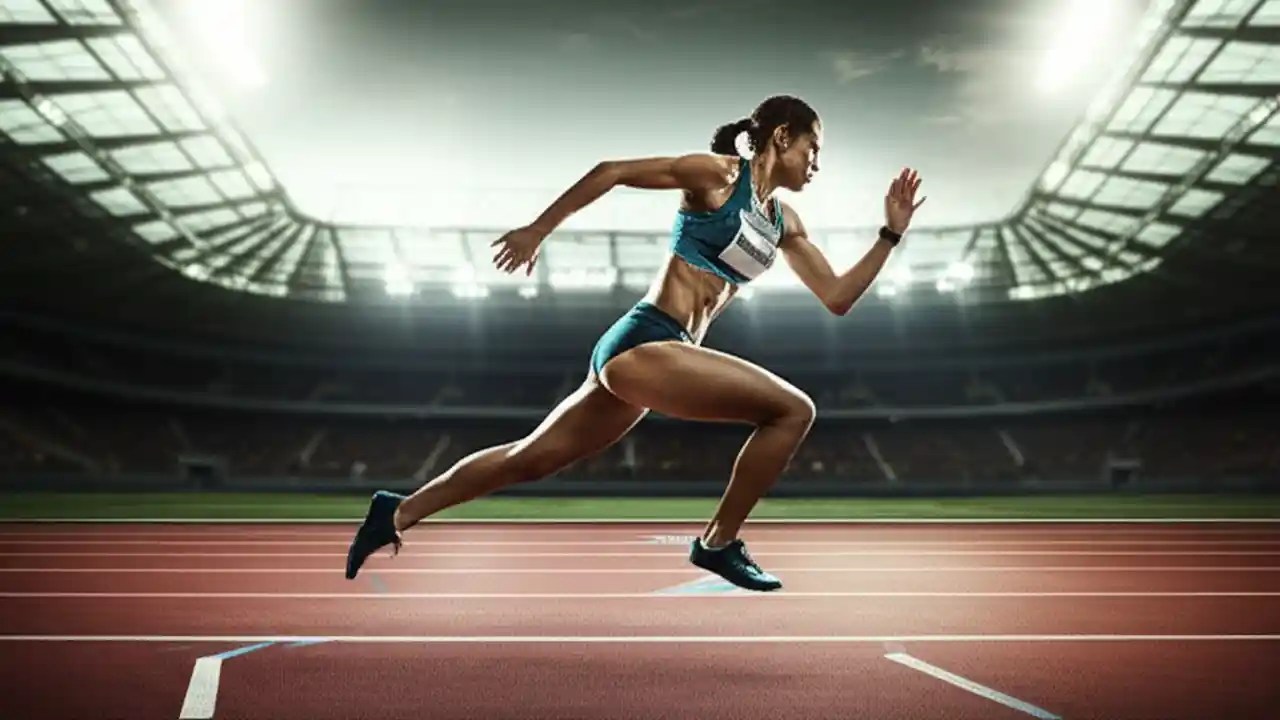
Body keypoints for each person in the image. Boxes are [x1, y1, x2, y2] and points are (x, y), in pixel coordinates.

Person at [346, 95, 925, 591]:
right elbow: (612, 171)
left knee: (529, 459)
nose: (817, 162)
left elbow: (837, 296)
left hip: (659, 356)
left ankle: (396, 512)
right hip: (645, 340)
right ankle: (718, 543)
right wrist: (538, 229)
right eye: (813, 148)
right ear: (781, 136)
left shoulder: (783, 222)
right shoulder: (719, 176)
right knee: (793, 411)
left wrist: (890, 234)